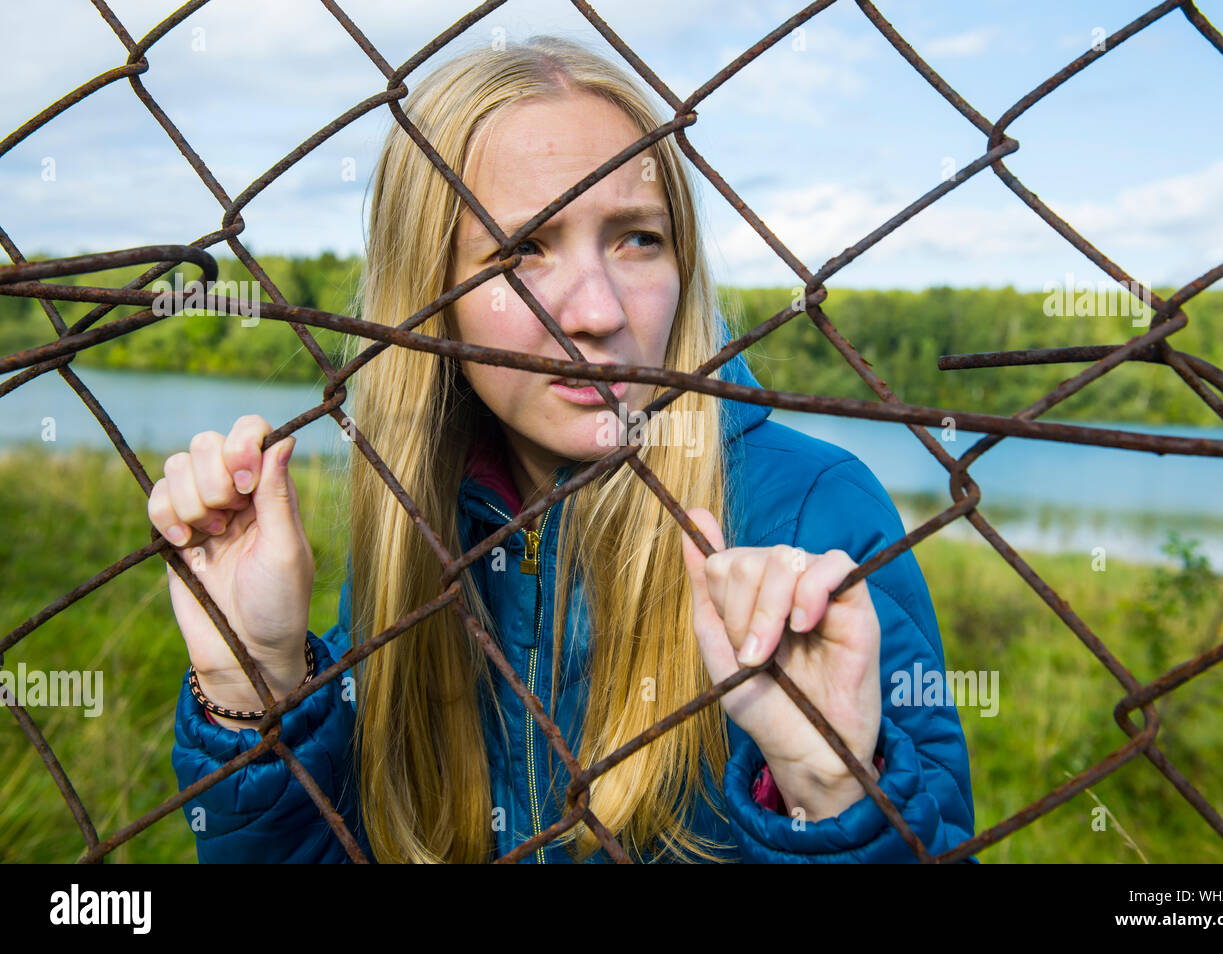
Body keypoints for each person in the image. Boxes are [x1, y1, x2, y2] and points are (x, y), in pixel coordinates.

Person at [154, 35, 976, 863]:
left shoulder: (812, 511)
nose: (595, 312)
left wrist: (831, 795)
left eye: (637, 239)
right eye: (521, 252)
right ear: (430, 294)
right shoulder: (418, 523)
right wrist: (254, 681)